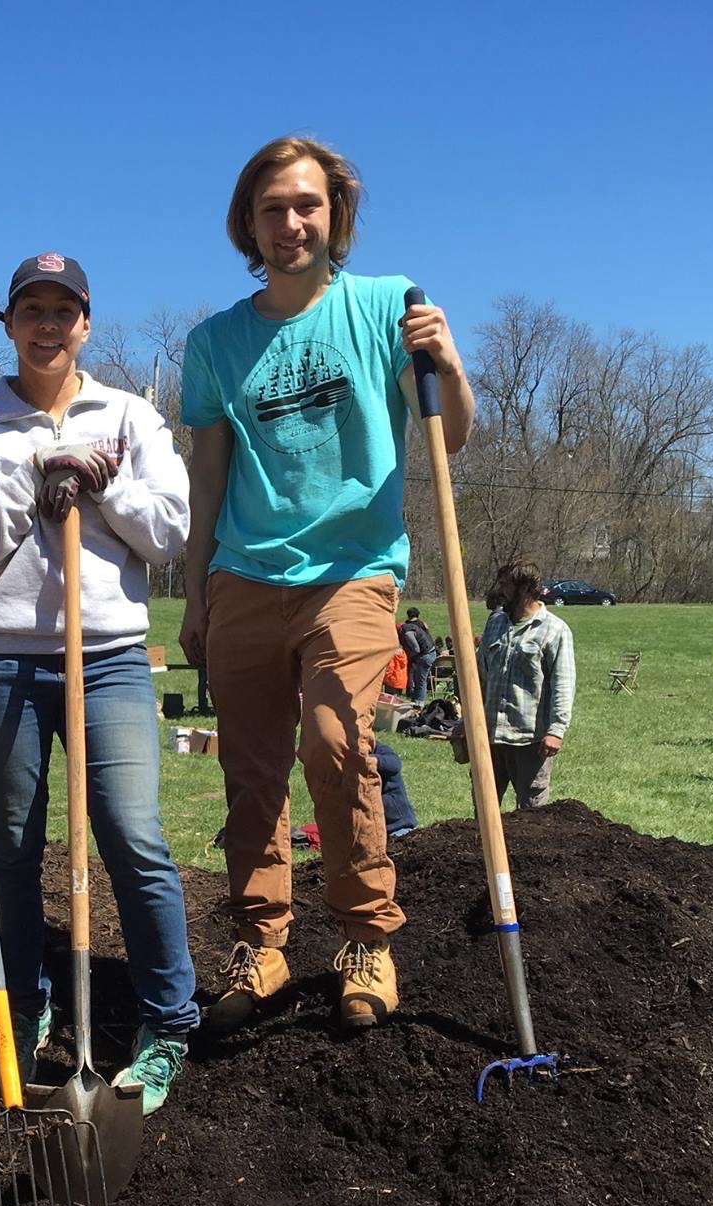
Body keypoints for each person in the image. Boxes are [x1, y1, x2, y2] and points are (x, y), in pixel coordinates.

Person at [176, 135, 474, 1028]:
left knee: (338, 744)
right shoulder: (216, 342)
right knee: (251, 766)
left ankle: (366, 943)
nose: (291, 222)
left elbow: (447, 439)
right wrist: (195, 593)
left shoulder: (387, 307)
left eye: (307, 204)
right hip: (244, 575)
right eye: (273, 208)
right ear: (249, 223)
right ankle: (262, 945)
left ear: (335, 213)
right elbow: (209, 478)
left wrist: (449, 362)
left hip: (352, 572)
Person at [0, 253, 197, 1113]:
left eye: (61, 311)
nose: (46, 325)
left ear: (85, 322)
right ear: (8, 323)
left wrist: (101, 490)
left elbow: (172, 533)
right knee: (7, 844)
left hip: (105, 652)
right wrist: (32, 491)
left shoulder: (132, 415)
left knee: (131, 830)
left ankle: (169, 1020)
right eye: (29, 310)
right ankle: (28, 1003)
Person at [472, 561, 574, 810]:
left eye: (506, 584)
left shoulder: (554, 630)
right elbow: (480, 675)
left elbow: (563, 682)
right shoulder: (495, 624)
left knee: (531, 817)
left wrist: (556, 730)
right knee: (483, 812)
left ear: (527, 588)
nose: (500, 590)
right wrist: (469, 720)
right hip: (491, 737)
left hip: (530, 739)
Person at [399, 606, 438, 703]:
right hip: (426, 652)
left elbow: (416, 648)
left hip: (423, 654)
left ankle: (419, 703)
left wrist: (409, 655)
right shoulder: (423, 624)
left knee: (420, 679)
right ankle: (415, 699)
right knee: (418, 678)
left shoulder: (407, 630)